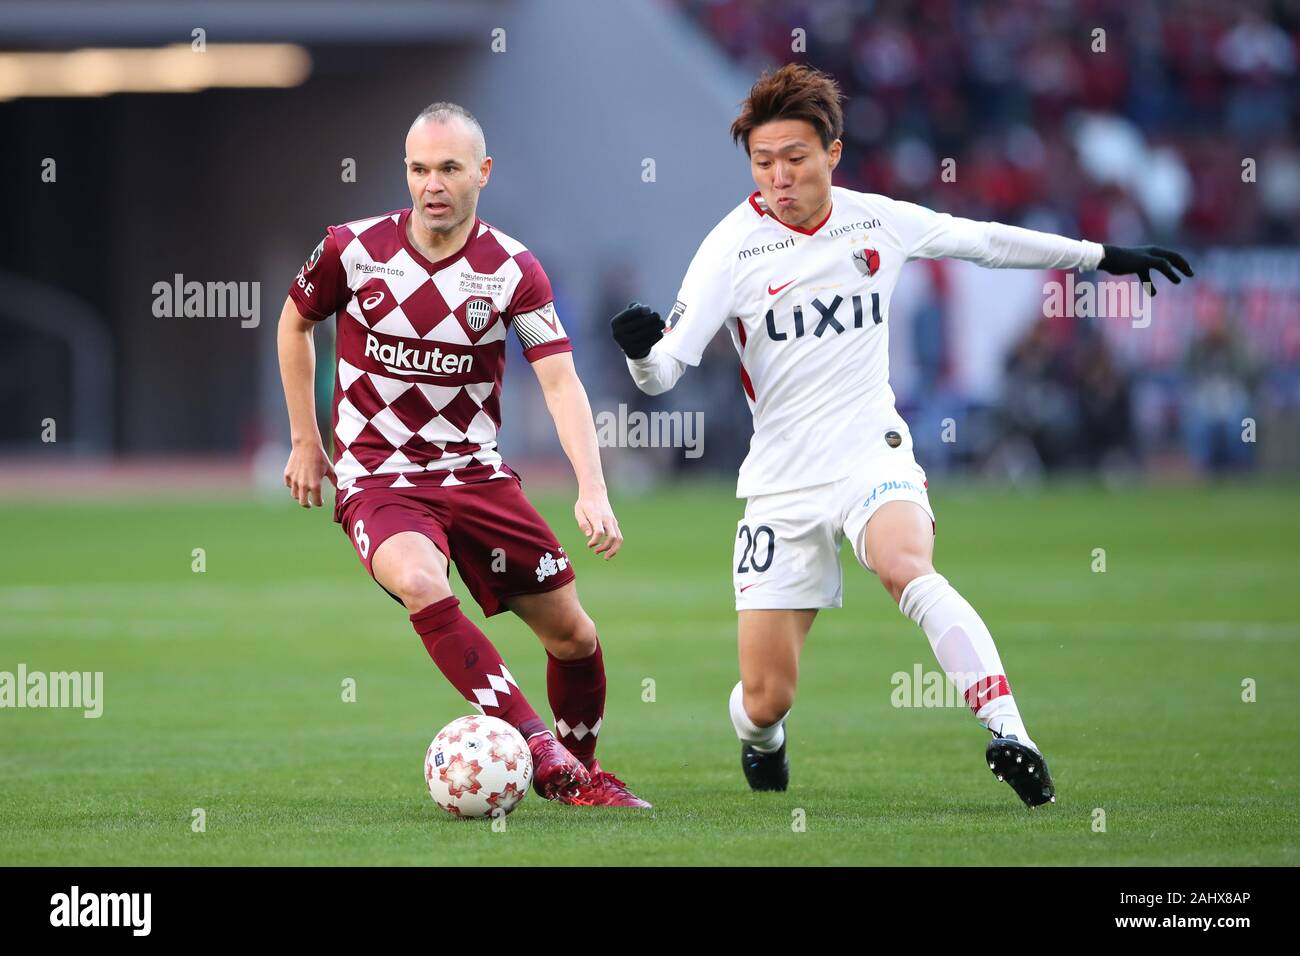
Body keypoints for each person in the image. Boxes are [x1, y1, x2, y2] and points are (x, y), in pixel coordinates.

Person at [611, 65, 1192, 806]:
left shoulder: (876, 220)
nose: (779, 177)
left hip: (870, 451)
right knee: (766, 698)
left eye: (795, 158)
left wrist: (1100, 257)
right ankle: (763, 742)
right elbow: (663, 374)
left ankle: (1009, 731)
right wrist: (639, 349)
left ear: (833, 153)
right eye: (763, 163)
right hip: (781, 482)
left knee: (904, 564)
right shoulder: (730, 248)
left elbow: (983, 240)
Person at [279, 102, 648, 807]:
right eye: (419, 169)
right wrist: (306, 439)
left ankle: (580, 772)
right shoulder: (350, 250)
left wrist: (592, 488)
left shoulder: (513, 269)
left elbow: (561, 381)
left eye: (449, 168)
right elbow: (293, 324)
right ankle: (536, 744)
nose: (432, 184)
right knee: (421, 580)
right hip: (379, 477)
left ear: (482, 172)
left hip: (475, 476)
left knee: (573, 635)